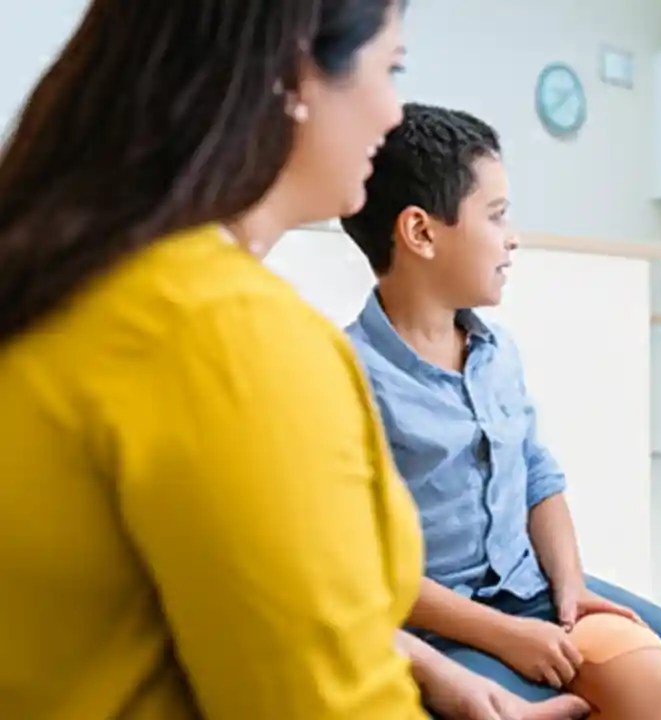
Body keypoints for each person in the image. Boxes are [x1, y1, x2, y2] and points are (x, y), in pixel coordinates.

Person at [0, 3, 588, 719]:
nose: (390, 111)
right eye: (390, 68)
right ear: (291, 78)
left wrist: (441, 675)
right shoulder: (238, 340)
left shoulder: (80, 284)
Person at [341, 103, 661, 720]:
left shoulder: (494, 351)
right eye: (497, 216)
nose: (513, 237)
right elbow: (362, 569)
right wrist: (502, 636)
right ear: (421, 232)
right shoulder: (347, 375)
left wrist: (572, 588)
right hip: (434, 625)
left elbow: (537, 473)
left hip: (530, 589)